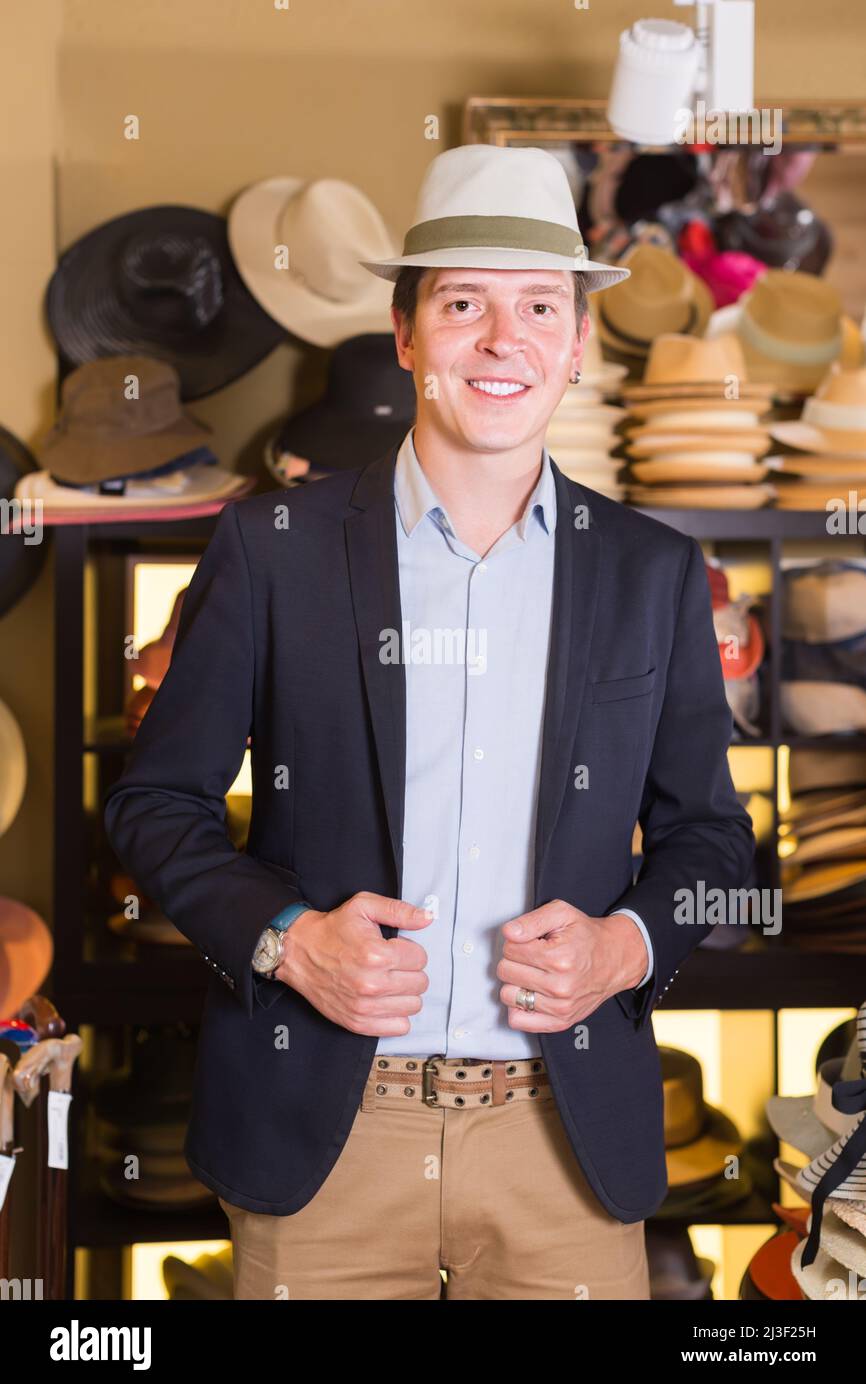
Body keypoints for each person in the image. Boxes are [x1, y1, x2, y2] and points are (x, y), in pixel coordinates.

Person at [103, 144, 755, 1300]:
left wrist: (626, 946)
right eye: (463, 302)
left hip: (561, 1150)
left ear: (573, 344)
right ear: (405, 334)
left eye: (537, 308)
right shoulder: (273, 550)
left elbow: (708, 838)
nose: (502, 340)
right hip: (324, 1138)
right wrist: (286, 937)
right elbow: (156, 806)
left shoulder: (654, 573)